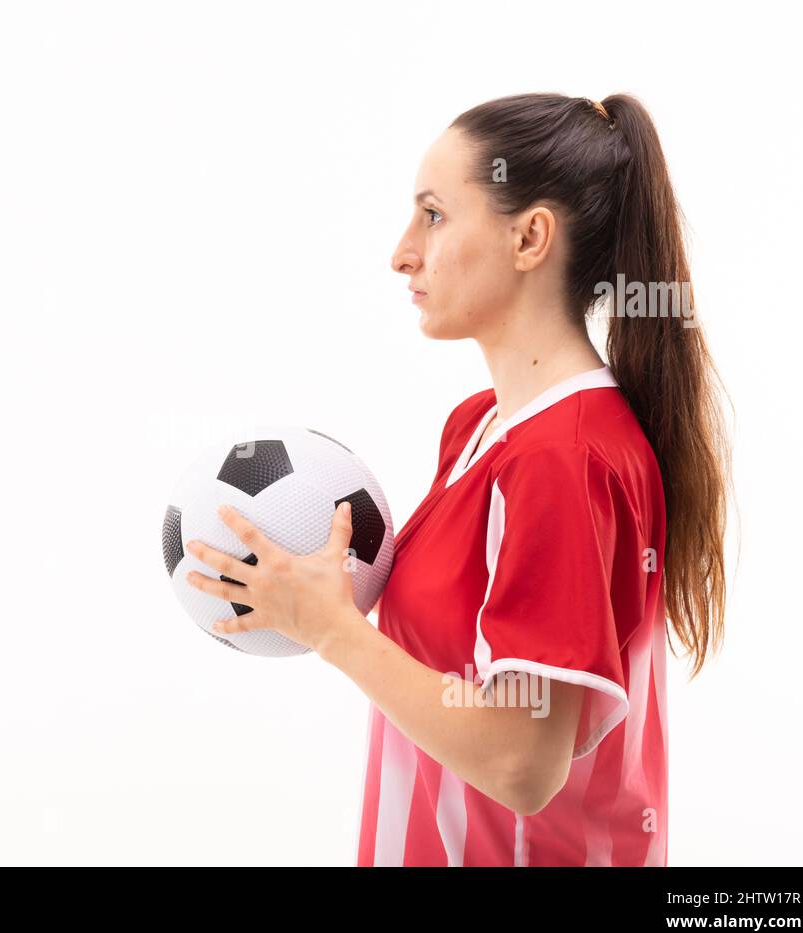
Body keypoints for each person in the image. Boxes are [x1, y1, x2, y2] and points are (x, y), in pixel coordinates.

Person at [183, 92, 730, 866]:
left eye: (434, 214)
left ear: (530, 237)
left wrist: (331, 630)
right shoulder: (482, 425)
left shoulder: (561, 459)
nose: (403, 252)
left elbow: (522, 763)